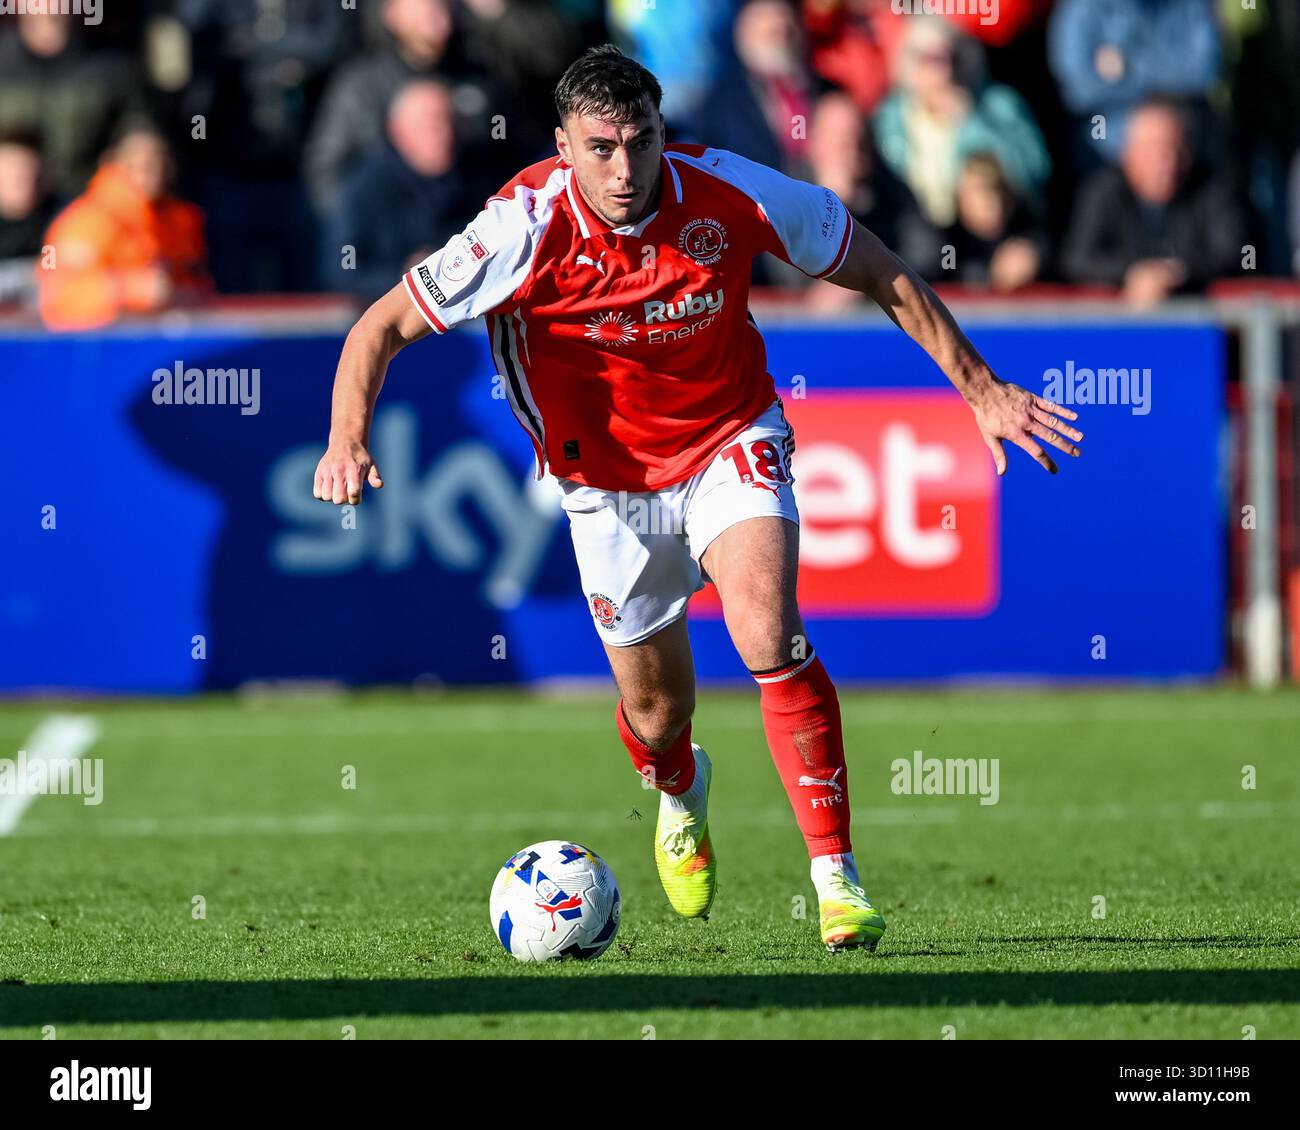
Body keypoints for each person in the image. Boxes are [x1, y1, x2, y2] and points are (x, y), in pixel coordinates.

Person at [312, 45, 1083, 953]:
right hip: (604, 486)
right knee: (656, 715)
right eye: (600, 149)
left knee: (768, 633)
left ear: (661, 132)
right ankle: (681, 790)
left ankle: (836, 879)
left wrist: (981, 389)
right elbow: (380, 327)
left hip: (730, 437)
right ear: (563, 147)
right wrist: (346, 436)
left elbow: (879, 269)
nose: (624, 169)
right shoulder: (518, 228)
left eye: (640, 142)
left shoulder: (730, 191)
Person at [1061, 98, 1244, 306]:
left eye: (1177, 148)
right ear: (1128, 153)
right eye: (1154, 150)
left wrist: (1174, 273)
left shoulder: (1212, 188)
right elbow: (1077, 260)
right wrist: (1132, 273)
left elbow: (1234, 255)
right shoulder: (1101, 190)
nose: (1168, 162)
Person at [39, 124, 209, 331]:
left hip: (171, 340)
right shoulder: (85, 222)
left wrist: (181, 293)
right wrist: (132, 290)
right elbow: (57, 295)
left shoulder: (181, 220)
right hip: (102, 342)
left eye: (160, 161)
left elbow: (197, 286)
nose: (153, 172)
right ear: (111, 162)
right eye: (139, 164)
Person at [324, 81, 471, 298]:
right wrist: (406, 278)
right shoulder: (365, 190)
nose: (446, 135)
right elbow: (342, 270)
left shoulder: (473, 179)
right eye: (431, 126)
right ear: (398, 132)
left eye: (451, 122)